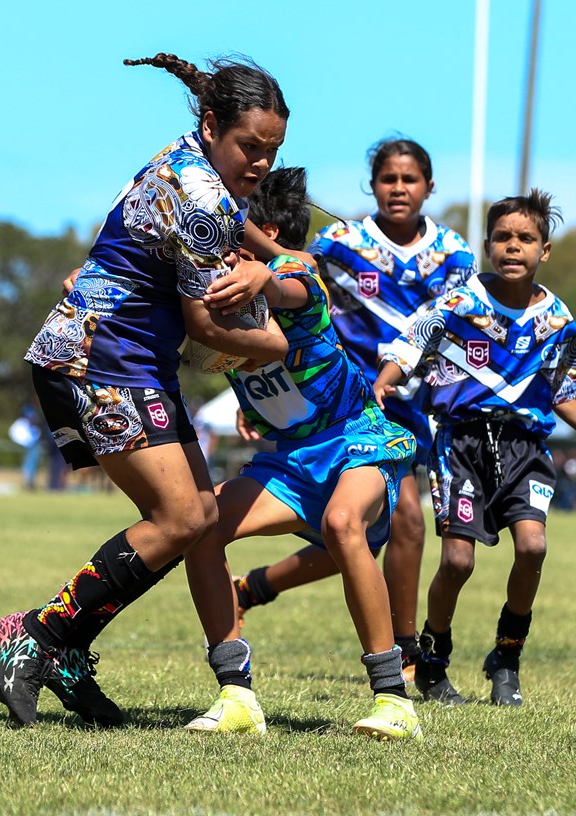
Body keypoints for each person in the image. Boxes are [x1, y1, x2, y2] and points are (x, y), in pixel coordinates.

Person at [0, 52, 290, 728]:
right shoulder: (204, 196)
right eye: (251, 146)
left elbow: (227, 229)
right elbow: (207, 326)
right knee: (184, 519)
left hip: (129, 360)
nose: (262, 163)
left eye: (272, 151)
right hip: (99, 357)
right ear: (212, 125)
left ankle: (75, 649)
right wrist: (279, 341)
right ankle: (39, 634)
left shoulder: (190, 159)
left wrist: (272, 262)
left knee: (198, 519)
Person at [374, 189, 576, 707]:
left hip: (526, 448)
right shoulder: (461, 302)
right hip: (461, 445)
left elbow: (562, 395)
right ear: (487, 245)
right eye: (503, 237)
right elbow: (411, 341)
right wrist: (386, 379)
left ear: (545, 250)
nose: (513, 247)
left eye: (526, 238)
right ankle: (433, 660)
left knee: (534, 548)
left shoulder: (559, 321)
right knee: (457, 562)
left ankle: (507, 655)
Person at [182, 167, 422, 740]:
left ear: (257, 234)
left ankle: (394, 702)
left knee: (344, 525)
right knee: (200, 526)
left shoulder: (298, 270)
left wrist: (262, 267)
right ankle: (235, 695)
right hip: (287, 461)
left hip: (355, 441)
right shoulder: (208, 295)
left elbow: (287, 286)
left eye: (219, 238)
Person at [232, 138, 477, 681]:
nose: (398, 189)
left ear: (429, 188)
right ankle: (406, 654)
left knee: (365, 532)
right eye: (387, 179)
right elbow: (290, 290)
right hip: (355, 401)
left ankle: (254, 587)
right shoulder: (342, 240)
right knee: (402, 520)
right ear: (373, 185)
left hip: (420, 399)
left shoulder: (457, 254)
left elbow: (462, 327)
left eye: (409, 180)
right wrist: (259, 393)